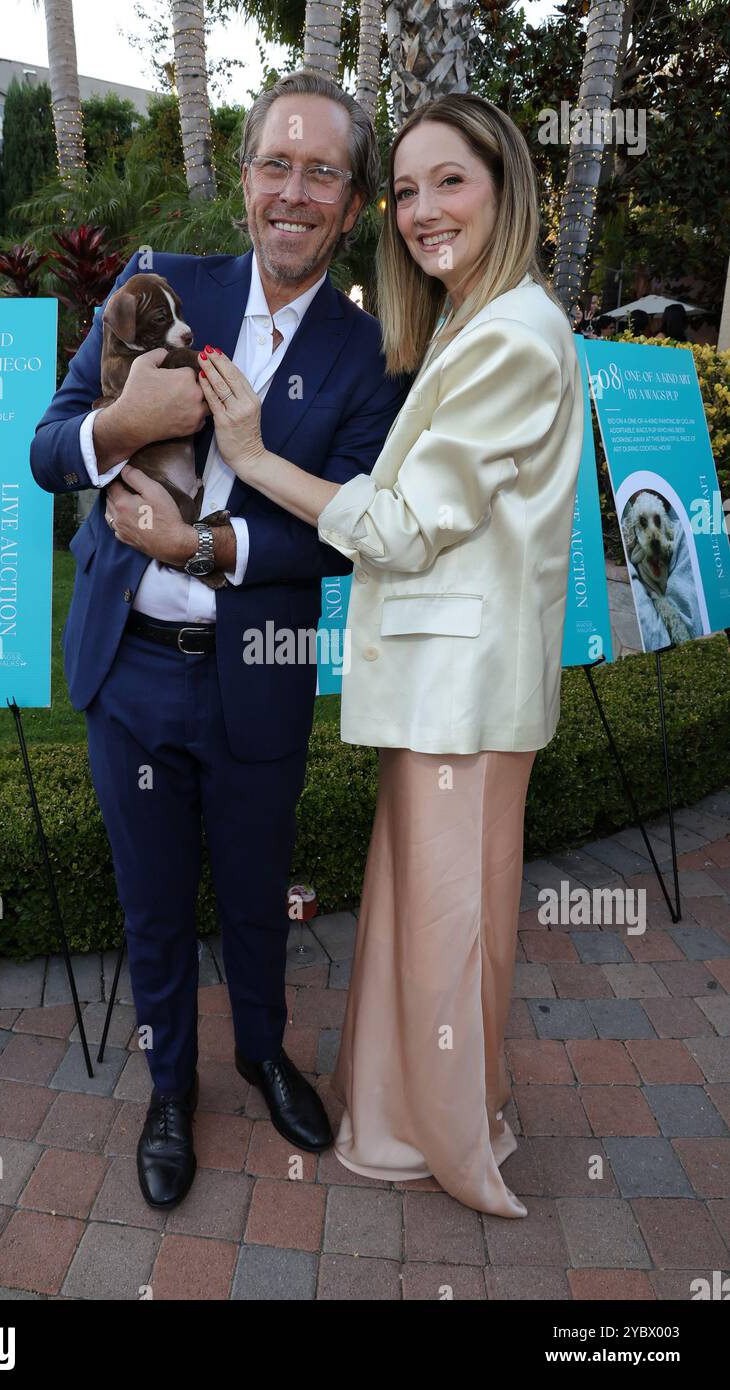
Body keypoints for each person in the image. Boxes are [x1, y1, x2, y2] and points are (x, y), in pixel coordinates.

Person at [196, 93, 584, 1219]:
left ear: (503, 187)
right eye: (406, 190)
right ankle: (411, 1120)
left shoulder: (508, 335)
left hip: (458, 694)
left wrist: (255, 458)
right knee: (430, 917)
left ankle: (451, 1138)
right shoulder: (481, 320)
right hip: (442, 689)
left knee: (447, 929)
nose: (421, 212)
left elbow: (405, 526)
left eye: (446, 182)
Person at [29, 71, 410, 1209]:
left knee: (253, 889)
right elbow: (50, 448)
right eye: (275, 164)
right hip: (130, 668)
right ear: (245, 178)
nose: (293, 192)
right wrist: (125, 423)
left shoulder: (369, 353)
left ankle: (258, 1048)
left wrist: (209, 548)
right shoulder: (157, 286)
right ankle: (168, 1088)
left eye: (322, 173)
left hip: (260, 669)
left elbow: (343, 532)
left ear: (350, 208)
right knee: (149, 898)